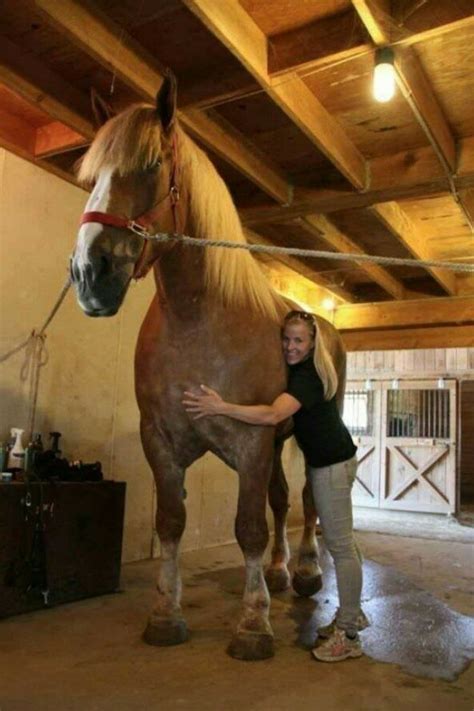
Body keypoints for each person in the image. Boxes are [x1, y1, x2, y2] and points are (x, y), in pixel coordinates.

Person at [182, 310, 368, 662]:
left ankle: (349, 635)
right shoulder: (297, 371)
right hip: (328, 464)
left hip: (333, 468)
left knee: (341, 548)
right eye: (286, 339)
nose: (290, 346)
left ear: (313, 343)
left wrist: (220, 407)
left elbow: (270, 415)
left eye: (298, 340)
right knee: (345, 543)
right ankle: (352, 615)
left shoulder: (309, 377)